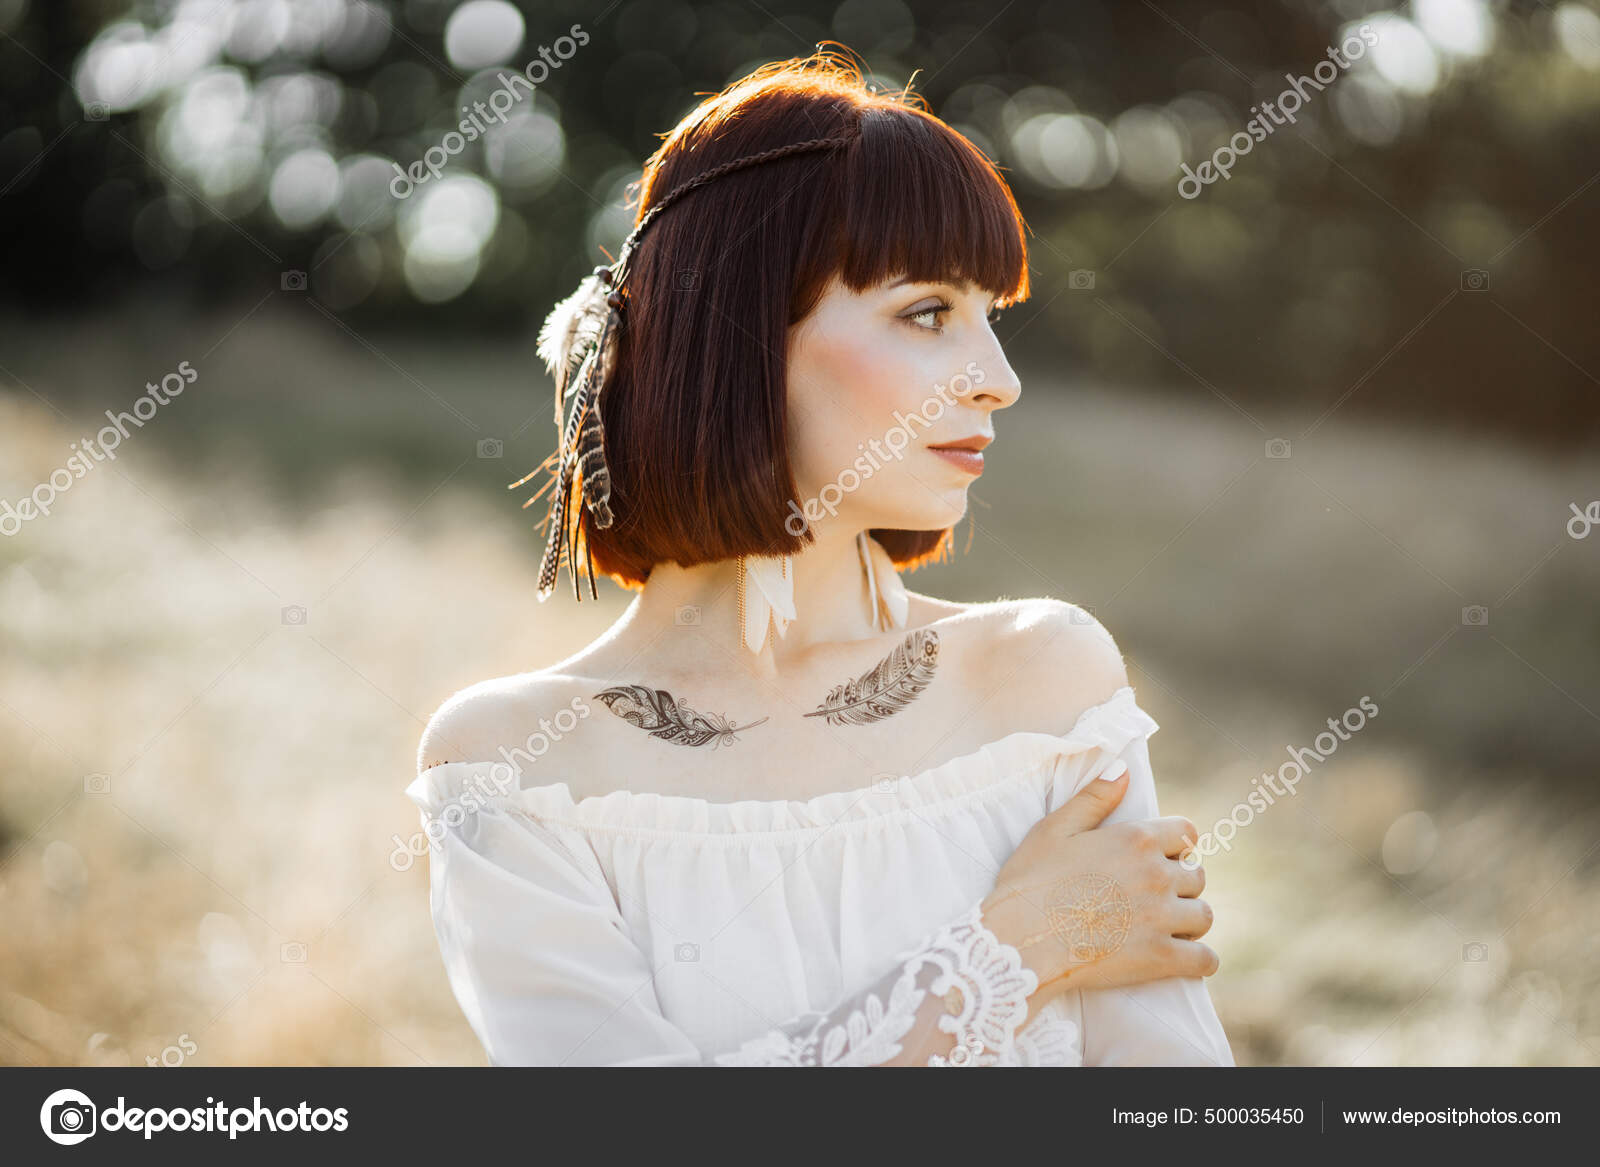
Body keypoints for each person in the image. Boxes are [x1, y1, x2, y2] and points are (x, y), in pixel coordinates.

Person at [405, 48, 1232, 1067]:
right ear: (739, 333)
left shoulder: (1045, 676)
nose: (999, 380)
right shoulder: (513, 766)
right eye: (927, 312)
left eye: (992, 318)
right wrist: (1010, 952)